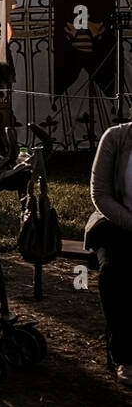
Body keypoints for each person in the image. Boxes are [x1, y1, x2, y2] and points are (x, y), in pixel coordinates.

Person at [87, 122, 132, 385]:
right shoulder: (115, 138)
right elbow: (101, 195)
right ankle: (125, 355)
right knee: (116, 274)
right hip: (117, 223)